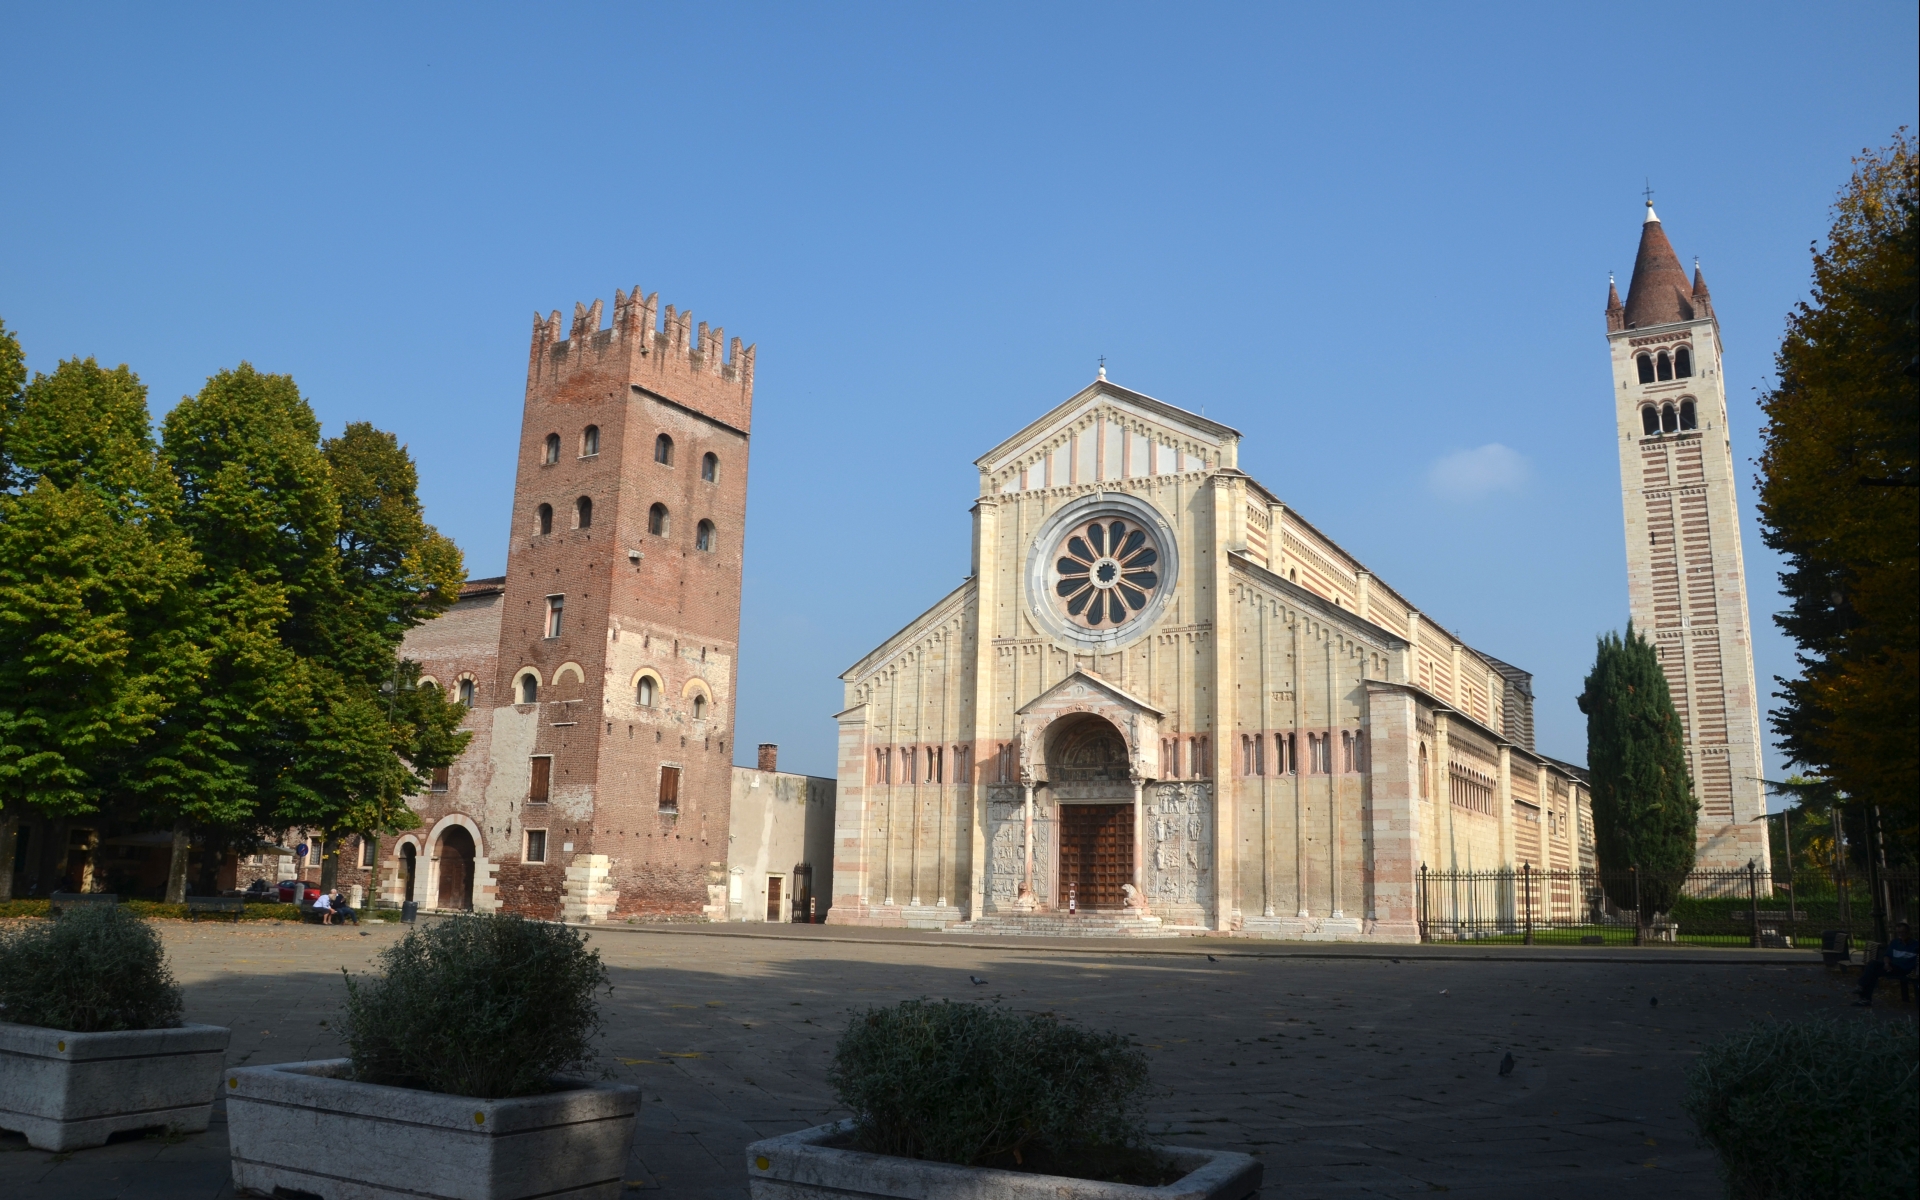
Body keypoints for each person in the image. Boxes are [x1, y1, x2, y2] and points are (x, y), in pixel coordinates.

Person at [1854, 921, 1917, 1007]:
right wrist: (1886, 964)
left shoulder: (1916, 945)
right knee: (1873, 968)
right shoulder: (1895, 942)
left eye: (1903, 932)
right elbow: (1887, 955)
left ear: (1908, 932)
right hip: (1892, 967)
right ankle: (1865, 998)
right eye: (1899, 932)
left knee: (1873, 968)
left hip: (1903, 969)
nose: (1901, 935)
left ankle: (1862, 988)